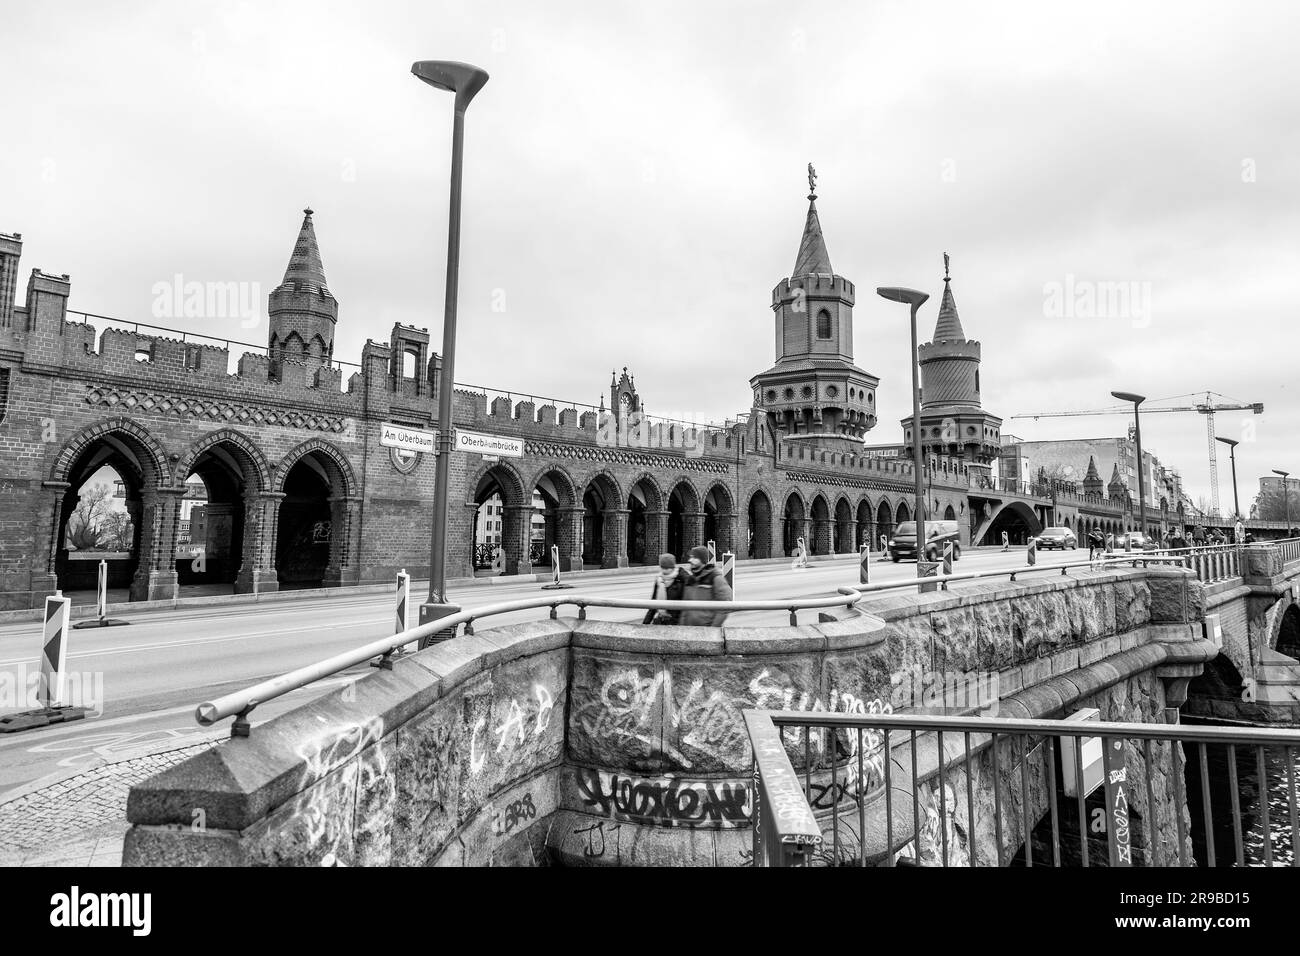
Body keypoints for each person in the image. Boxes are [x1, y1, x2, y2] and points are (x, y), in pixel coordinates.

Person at [680, 545, 734, 626]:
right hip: (689, 631)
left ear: (702, 560)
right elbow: (685, 608)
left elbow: (725, 606)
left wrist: (712, 630)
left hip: (707, 631)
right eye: (690, 557)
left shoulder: (715, 578)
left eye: (694, 558)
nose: (690, 560)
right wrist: (682, 627)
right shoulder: (690, 579)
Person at [643, 553, 686, 625]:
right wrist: (645, 624)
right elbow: (653, 605)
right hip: (660, 621)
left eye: (667, 568)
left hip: (675, 623)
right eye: (662, 568)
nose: (664, 571)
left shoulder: (679, 580)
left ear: (672, 568)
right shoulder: (659, 580)